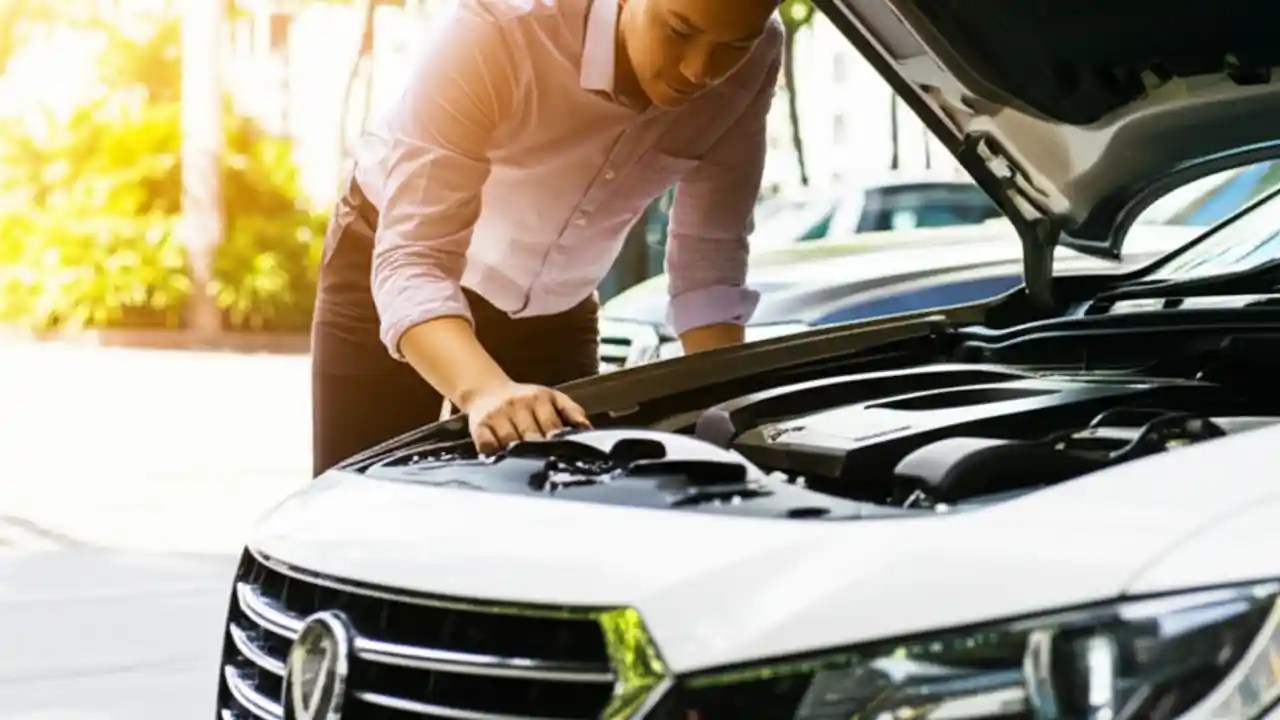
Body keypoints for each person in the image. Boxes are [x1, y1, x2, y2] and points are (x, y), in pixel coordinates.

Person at [311, 0, 784, 476]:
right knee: (357, 506)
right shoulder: (499, 23)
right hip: (395, 264)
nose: (699, 71)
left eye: (732, 47)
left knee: (557, 513)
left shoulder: (760, 52)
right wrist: (484, 391)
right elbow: (414, 259)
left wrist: (730, 419)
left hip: (555, 303)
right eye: (679, 31)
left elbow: (711, 256)